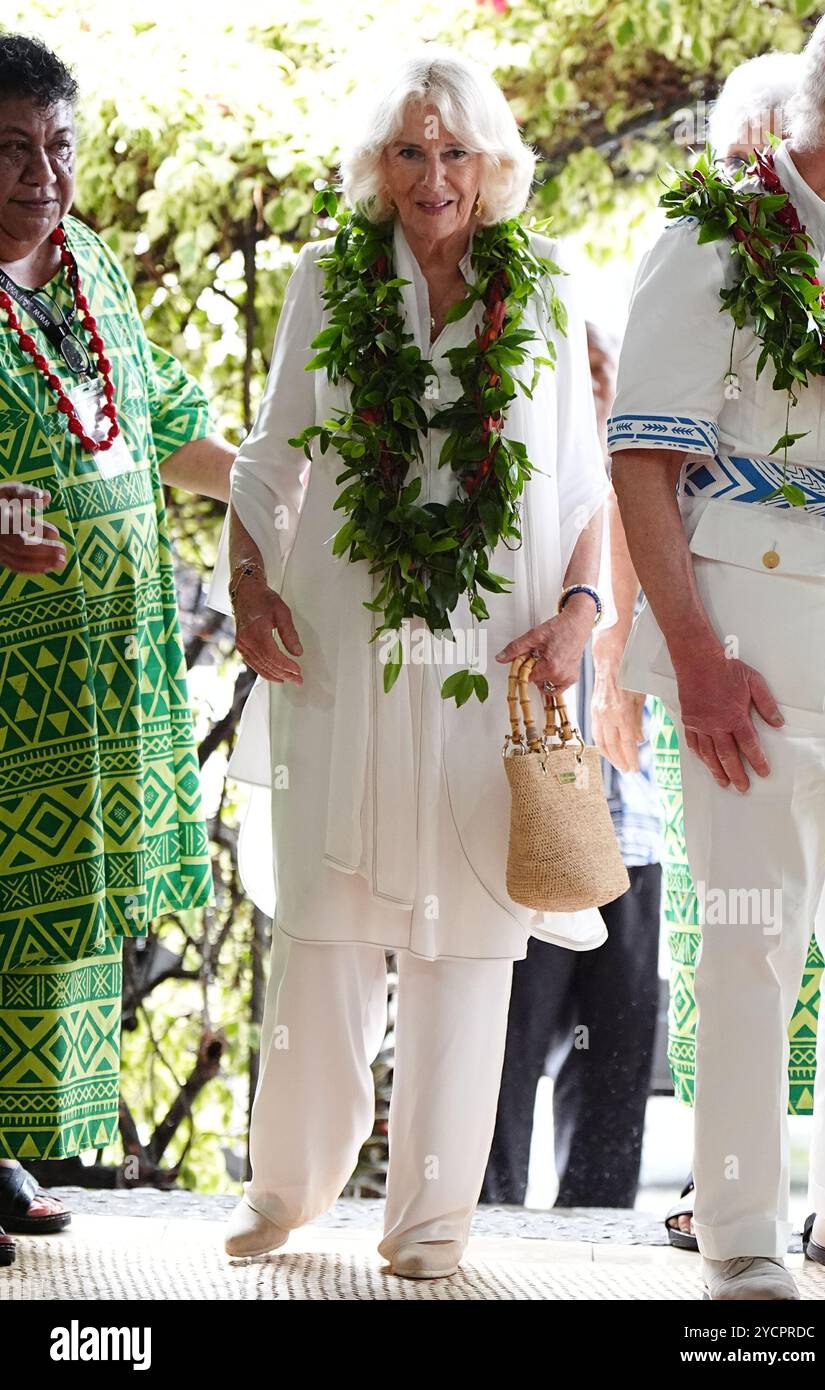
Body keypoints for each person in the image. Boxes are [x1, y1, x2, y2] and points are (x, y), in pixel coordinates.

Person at [215, 45, 611, 1279]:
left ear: (491, 164)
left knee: (468, 942)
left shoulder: (541, 285)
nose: (432, 175)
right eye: (408, 150)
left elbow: (589, 484)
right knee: (329, 929)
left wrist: (581, 610)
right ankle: (286, 1193)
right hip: (343, 640)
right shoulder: (328, 280)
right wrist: (245, 579)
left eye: (453, 151)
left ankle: (431, 1224)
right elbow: (272, 454)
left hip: (492, 651)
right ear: (376, 164)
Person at [608, 0, 825, 1299]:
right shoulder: (710, 233)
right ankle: (744, 1238)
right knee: (756, 930)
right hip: (750, 637)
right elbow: (639, 453)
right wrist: (692, 651)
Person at [0, 35, 234, 1267]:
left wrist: (268, 486)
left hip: (101, 667)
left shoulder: (87, 263)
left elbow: (164, 417)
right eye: (13, 147)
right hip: (5, 679)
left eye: (59, 146)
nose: (43, 173)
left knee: (55, 916)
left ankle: (1, 1151)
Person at [481, 322, 663, 1210]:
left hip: (635, 829)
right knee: (509, 1041)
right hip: (539, 823)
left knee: (618, 1052)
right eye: (577, 383)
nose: (591, 398)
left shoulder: (650, 505)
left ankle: (601, 1231)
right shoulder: (528, 507)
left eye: (599, 382)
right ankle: (488, 1214)